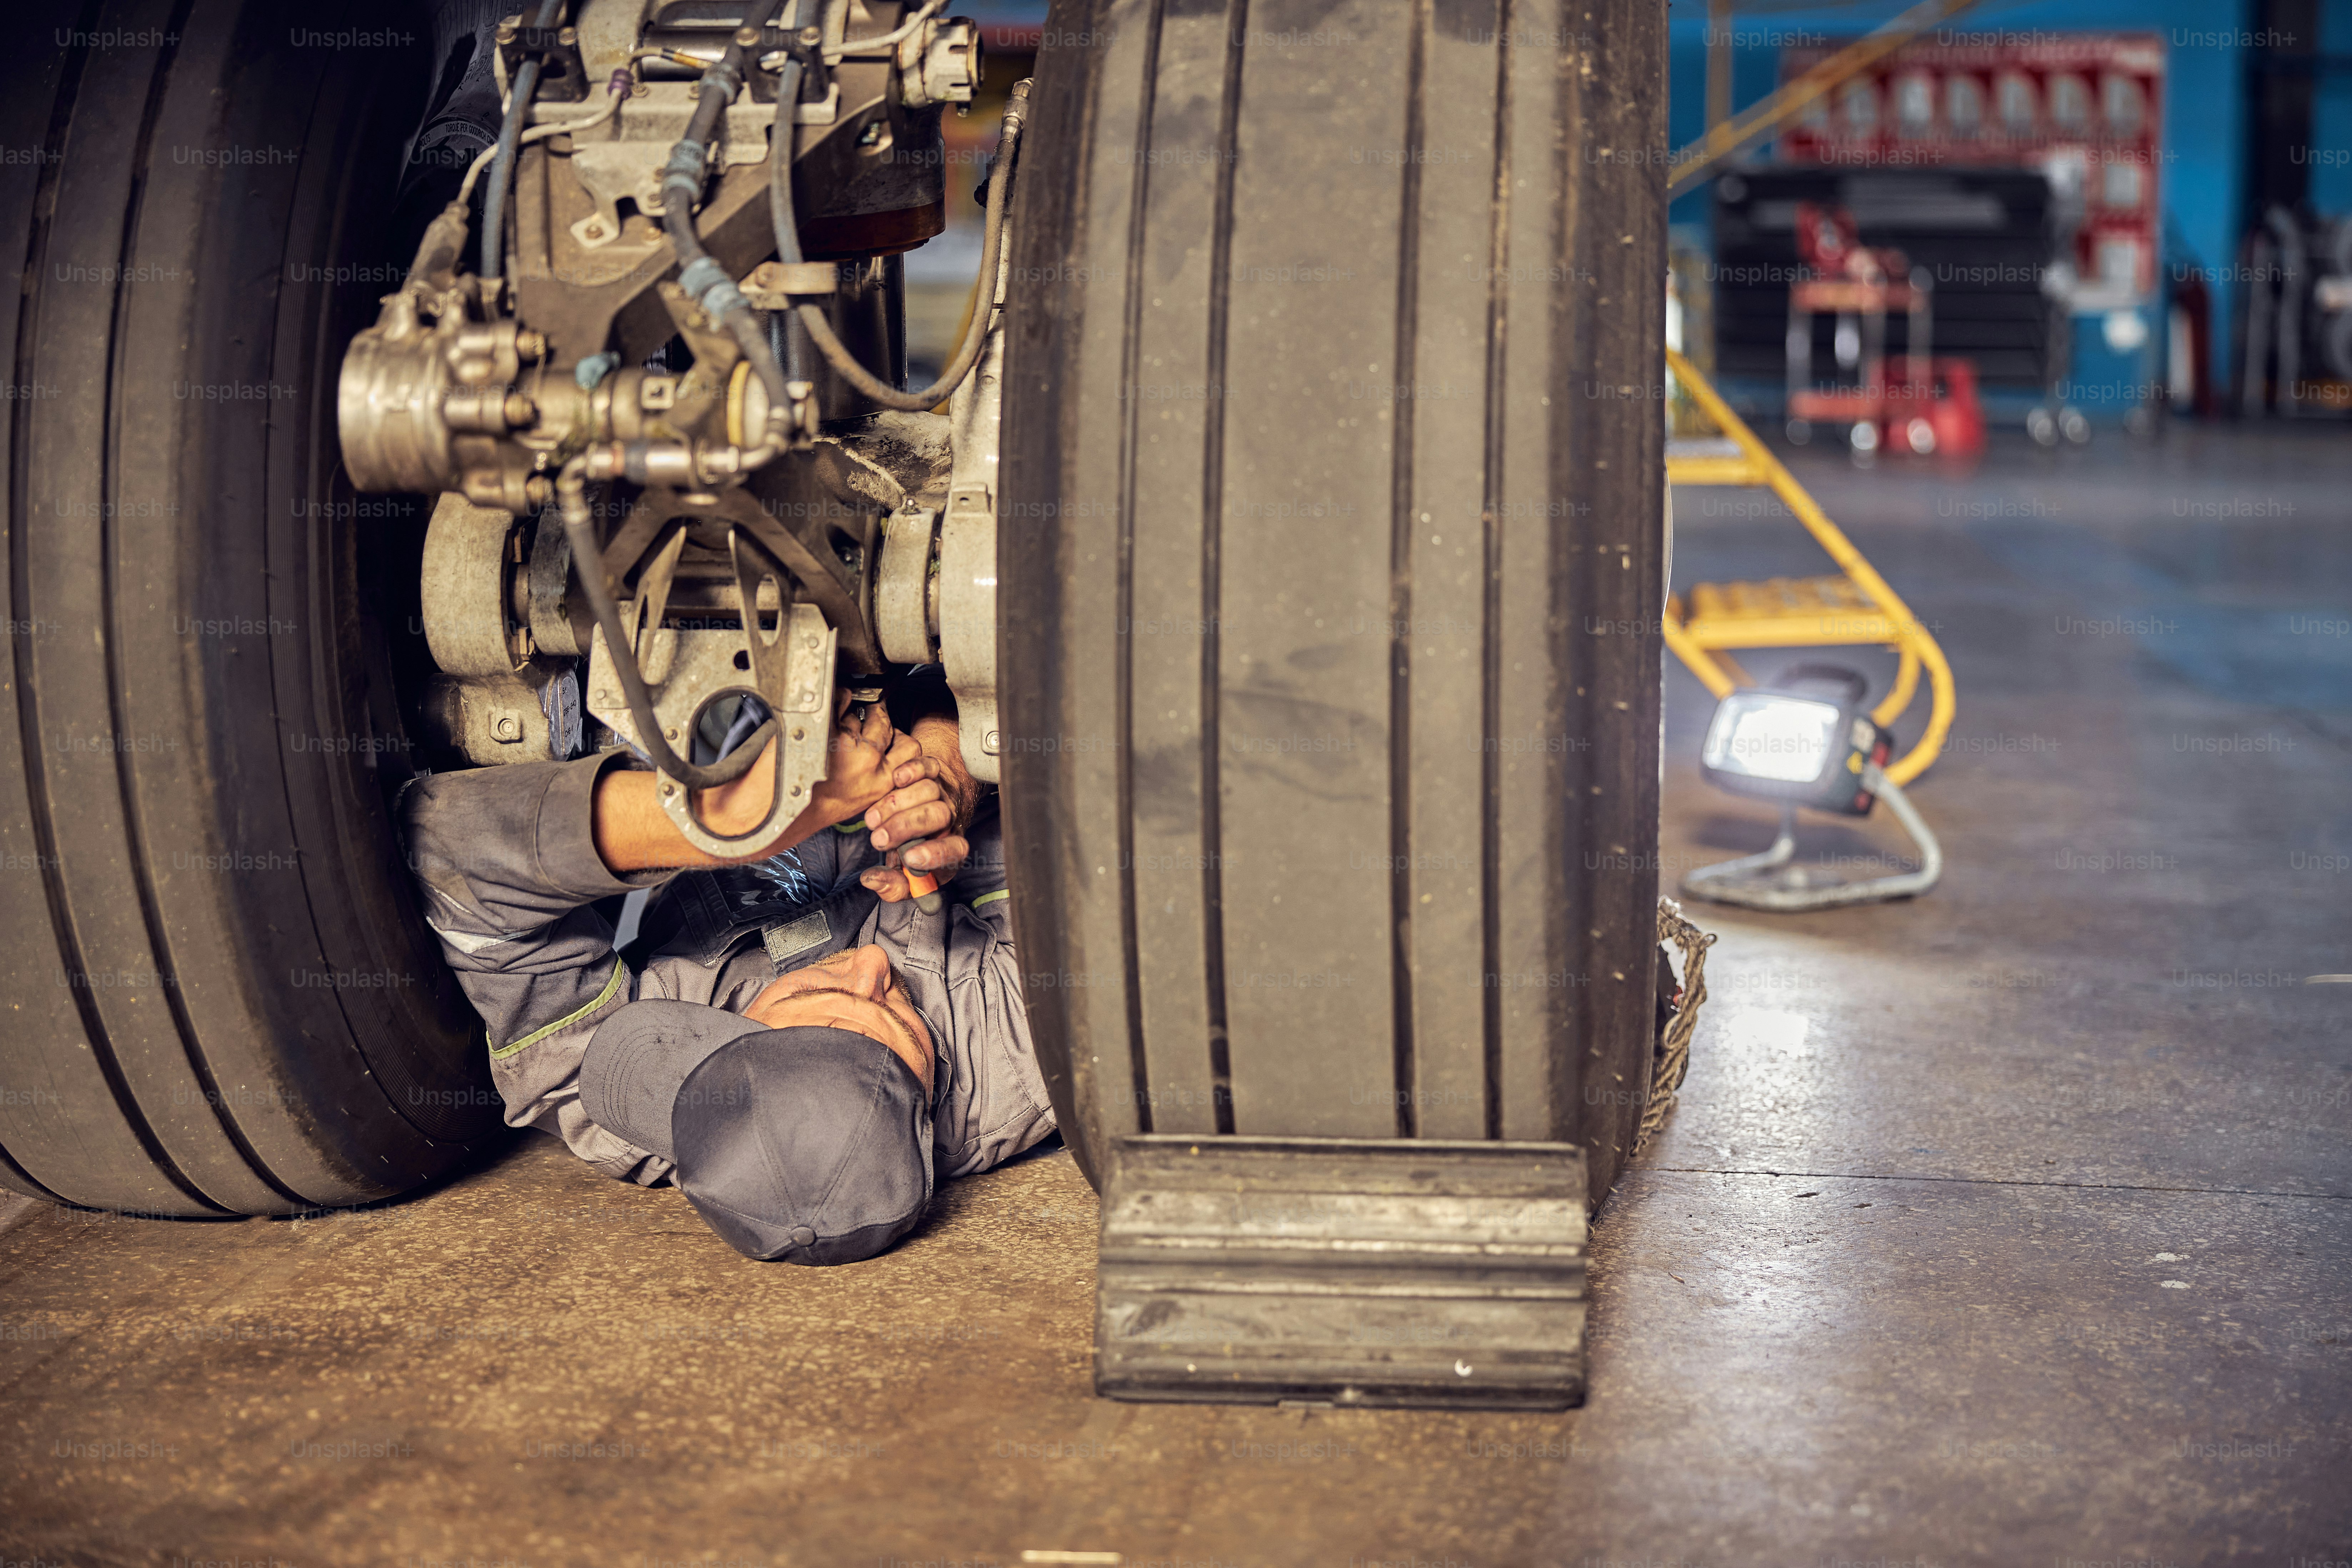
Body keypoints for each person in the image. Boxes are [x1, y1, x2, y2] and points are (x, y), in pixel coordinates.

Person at [398, 685, 1054, 1263]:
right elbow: (1083, 793)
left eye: (824, 993)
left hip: (698, 725)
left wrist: (721, 821)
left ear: (719, 1044)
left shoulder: (609, 1087)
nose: (873, 964)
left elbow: (446, 847)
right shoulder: (1024, 1057)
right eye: (906, 1020)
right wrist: (945, 771)